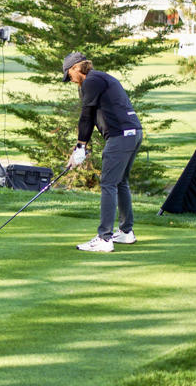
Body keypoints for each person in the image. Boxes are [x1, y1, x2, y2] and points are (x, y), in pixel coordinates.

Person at [63, 52, 143, 252]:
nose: (70, 80)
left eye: (69, 74)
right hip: (133, 133)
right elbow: (91, 116)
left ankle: (104, 238)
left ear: (76, 68)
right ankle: (125, 232)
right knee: (120, 182)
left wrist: (80, 146)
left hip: (120, 136)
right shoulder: (98, 79)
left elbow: (86, 116)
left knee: (108, 183)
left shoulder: (91, 81)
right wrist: (81, 146)